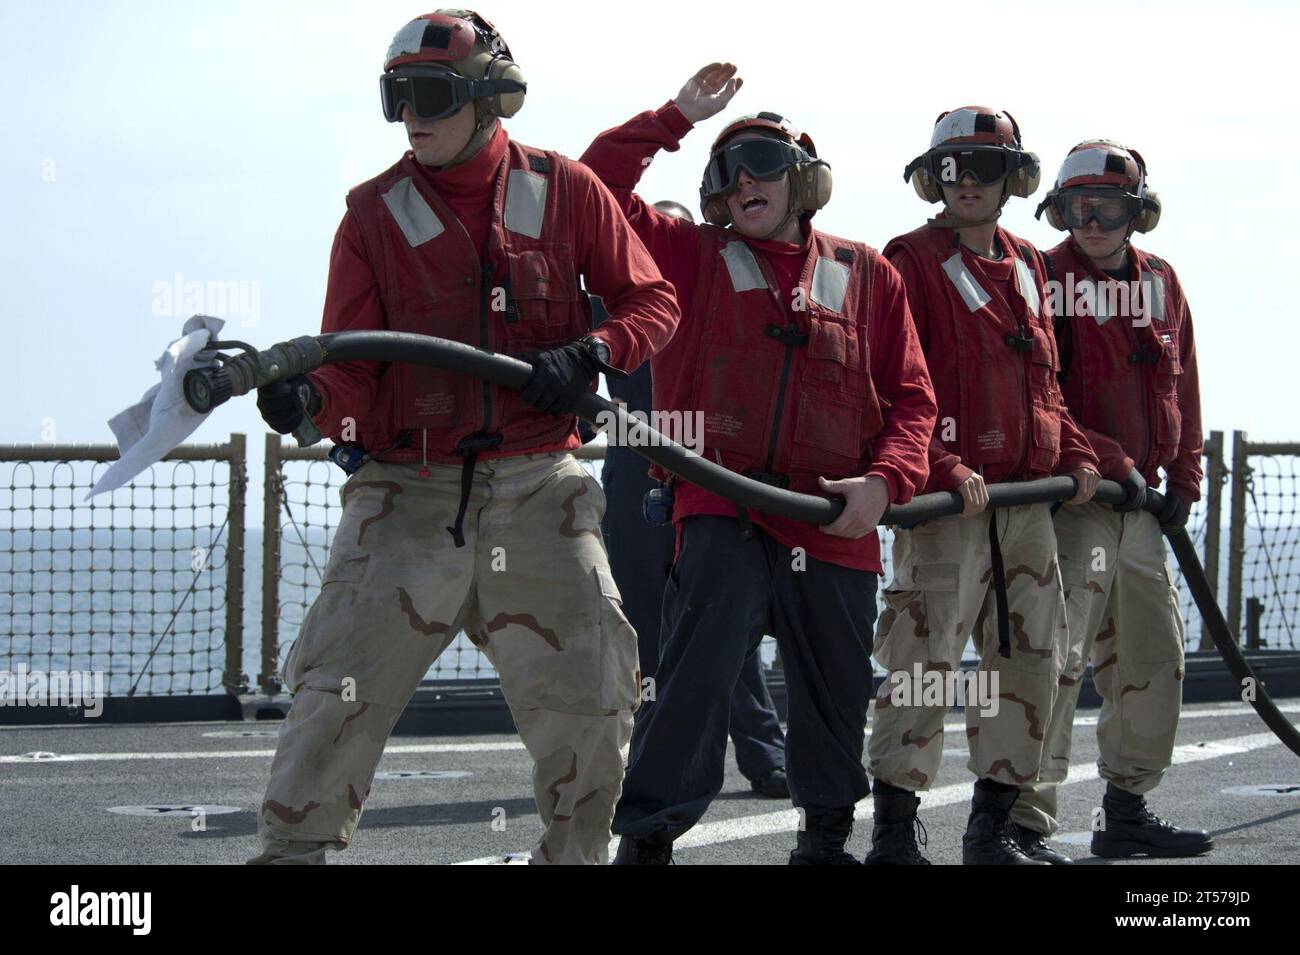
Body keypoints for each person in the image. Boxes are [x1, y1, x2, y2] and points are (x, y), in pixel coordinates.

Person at [248, 9, 679, 865]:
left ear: (491, 98)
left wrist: (590, 351)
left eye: (432, 94)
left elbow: (652, 303)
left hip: (541, 490)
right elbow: (354, 370)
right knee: (333, 699)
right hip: (405, 494)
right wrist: (307, 398)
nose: (413, 115)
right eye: (397, 97)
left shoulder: (567, 190)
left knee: (595, 698)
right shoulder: (370, 217)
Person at [581, 63, 937, 864]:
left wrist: (885, 484)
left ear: (804, 180)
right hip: (721, 509)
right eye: (728, 169)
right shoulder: (686, 255)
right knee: (695, 680)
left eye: (765, 164)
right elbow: (590, 188)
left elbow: (913, 399)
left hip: (835, 519)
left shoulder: (869, 273)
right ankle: (647, 842)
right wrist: (673, 117)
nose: (746, 180)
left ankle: (825, 839)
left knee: (836, 688)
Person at [866, 106, 1101, 865]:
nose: (966, 182)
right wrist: (942, 465)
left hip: (1025, 506)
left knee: (1033, 658)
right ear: (932, 179)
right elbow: (890, 386)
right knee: (923, 666)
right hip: (948, 509)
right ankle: (895, 836)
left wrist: (1074, 453)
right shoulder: (906, 262)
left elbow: (1047, 383)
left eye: (985, 168)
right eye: (951, 168)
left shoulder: (1030, 264)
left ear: (1013, 180)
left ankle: (990, 831)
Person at [1009, 141, 1212, 859]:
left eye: (1108, 207)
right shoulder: (1039, 277)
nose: (1091, 222)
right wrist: (1109, 457)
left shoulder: (1162, 281)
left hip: (1142, 511)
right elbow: (1040, 391)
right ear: (1059, 209)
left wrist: (1185, 475)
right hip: (1075, 499)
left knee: (1154, 656)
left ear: (1138, 213)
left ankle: (1127, 809)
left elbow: (1180, 383)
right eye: (1078, 207)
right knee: (1056, 658)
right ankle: (1026, 822)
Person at [592, 199, 790, 801]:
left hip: (707, 475)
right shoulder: (610, 302)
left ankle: (763, 754)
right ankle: (659, 768)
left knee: (721, 623)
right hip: (635, 477)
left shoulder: (718, 301)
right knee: (650, 634)